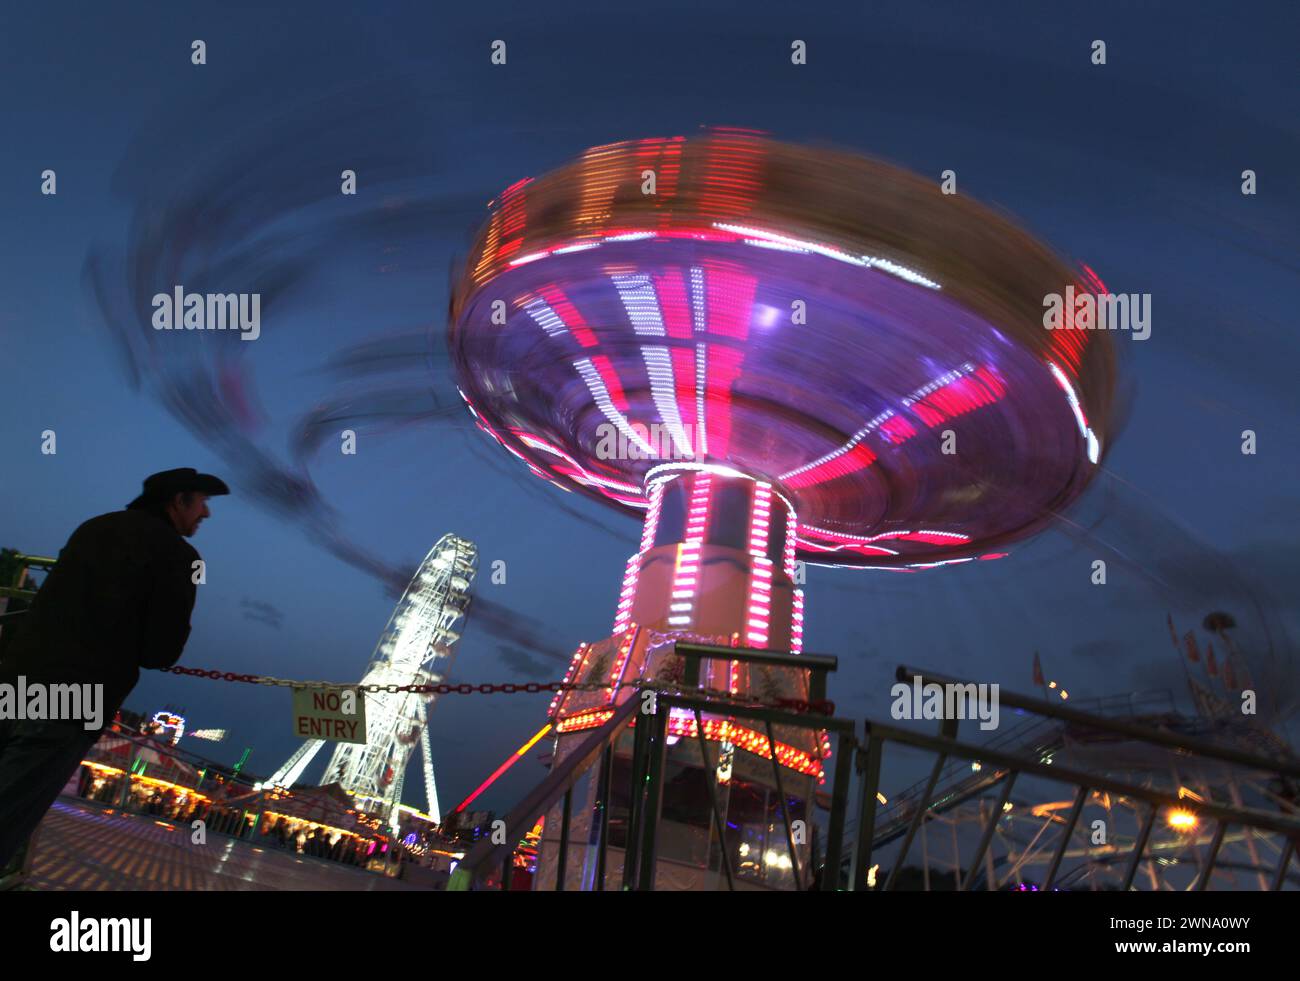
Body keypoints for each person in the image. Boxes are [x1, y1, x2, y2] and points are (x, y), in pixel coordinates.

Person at [0, 468, 229, 874]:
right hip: (80, 694)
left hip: (19, 676)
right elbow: (160, 651)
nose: (206, 513)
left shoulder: (94, 527)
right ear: (177, 502)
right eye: (200, 501)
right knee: (15, 804)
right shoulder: (178, 556)